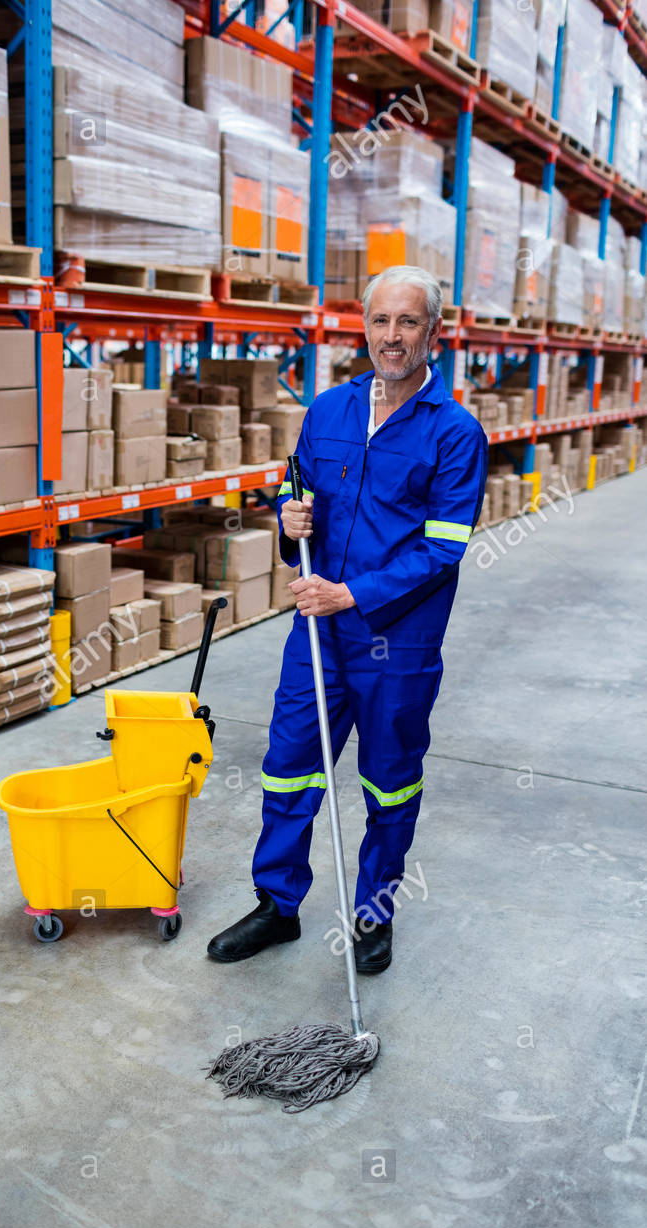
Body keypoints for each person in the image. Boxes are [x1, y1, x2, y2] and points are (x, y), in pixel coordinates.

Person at [207, 264, 488, 973]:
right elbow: (297, 490)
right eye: (381, 321)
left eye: (408, 322)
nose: (392, 337)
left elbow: (442, 550)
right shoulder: (327, 410)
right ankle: (278, 906)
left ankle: (372, 915)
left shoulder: (455, 434)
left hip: (399, 636)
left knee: (389, 780)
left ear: (435, 333)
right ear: (362, 326)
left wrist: (351, 594)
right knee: (288, 768)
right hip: (316, 635)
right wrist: (287, 515)